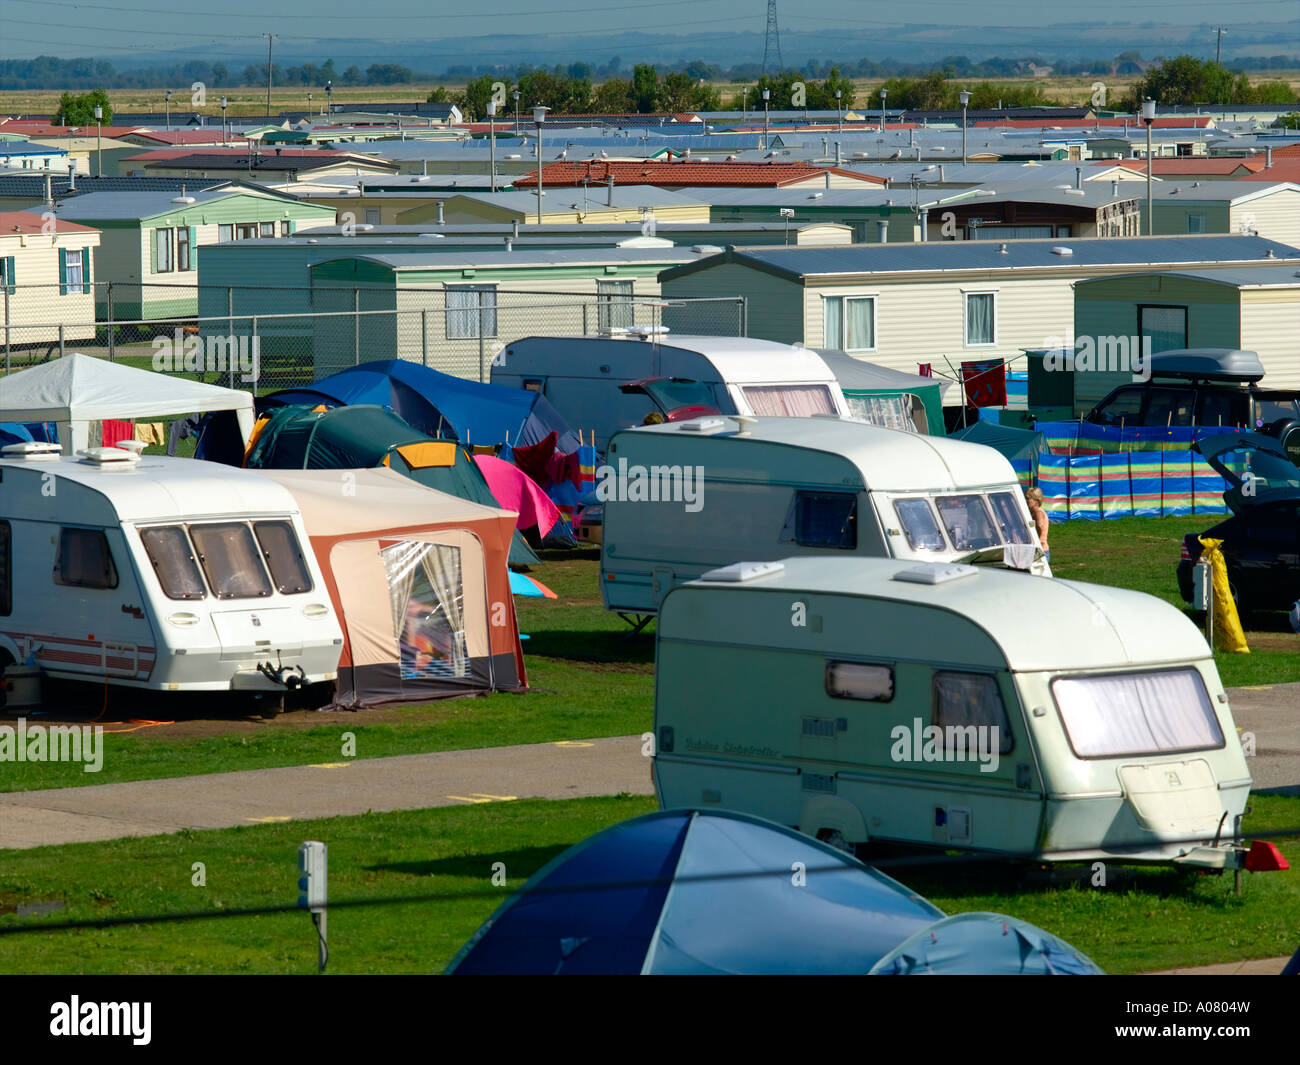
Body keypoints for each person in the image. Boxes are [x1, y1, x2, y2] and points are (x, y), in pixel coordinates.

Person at [1024, 486, 1049, 560]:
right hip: (1037, 549)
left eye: (1028, 498)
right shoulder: (1032, 512)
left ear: (1037, 500)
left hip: (1040, 550)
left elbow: (1039, 525)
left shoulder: (1038, 511)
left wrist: (1036, 540)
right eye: (1025, 498)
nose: (1026, 500)